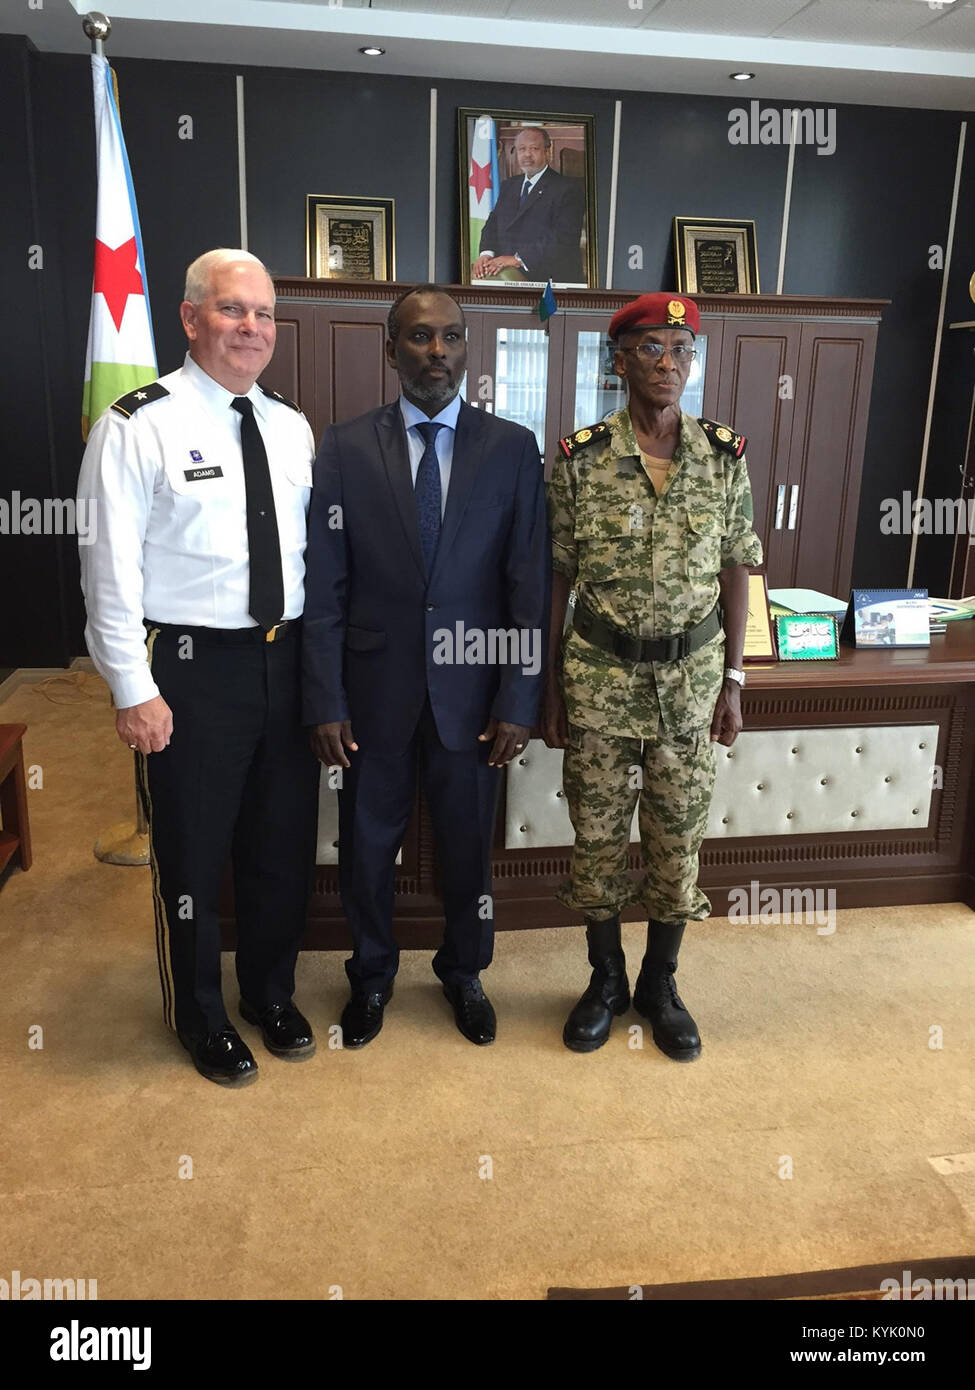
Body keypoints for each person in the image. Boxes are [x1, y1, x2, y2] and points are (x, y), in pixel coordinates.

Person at [77, 248, 321, 1087]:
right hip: (189, 668)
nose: (251, 328)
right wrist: (131, 689)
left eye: (263, 313)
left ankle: (267, 994)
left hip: (283, 664)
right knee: (190, 855)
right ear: (190, 319)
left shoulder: (291, 424)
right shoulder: (136, 425)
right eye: (231, 310)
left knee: (279, 844)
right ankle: (199, 1014)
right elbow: (107, 572)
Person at [303, 284, 549, 1047]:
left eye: (448, 337)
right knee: (367, 847)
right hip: (372, 696)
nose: (434, 352)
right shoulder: (343, 447)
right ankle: (370, 975)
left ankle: (464, 972)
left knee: (468, 846)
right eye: (417, 338)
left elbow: (527, 583)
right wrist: (324, 698)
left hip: (475, 697)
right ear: (391, 350)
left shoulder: (511, 448)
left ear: (467, 349)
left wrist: (518, 699)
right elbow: (324, 584)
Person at [541, 292, 763, 1061]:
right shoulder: (580, 458)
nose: (669, 364)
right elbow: (556, 576)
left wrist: (734, 678)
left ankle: (659, 985)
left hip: (692, 686)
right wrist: (547, 687)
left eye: (681, 350)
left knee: (676, 847)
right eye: (652, 349)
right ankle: (603, 981)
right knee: (595, 844)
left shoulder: (721, 455)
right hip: (599, 680)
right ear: (620, 361)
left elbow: (738, 568)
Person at [472, 126, 586, 285]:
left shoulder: (567, 189)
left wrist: (517, 259)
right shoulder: (508, 186)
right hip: (505, 278)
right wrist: (486, 254)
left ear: (548, 152)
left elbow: (563, 238)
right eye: (522, 149)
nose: (527, 154)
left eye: (534, 148)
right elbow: (492, 225)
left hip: (550, 283)